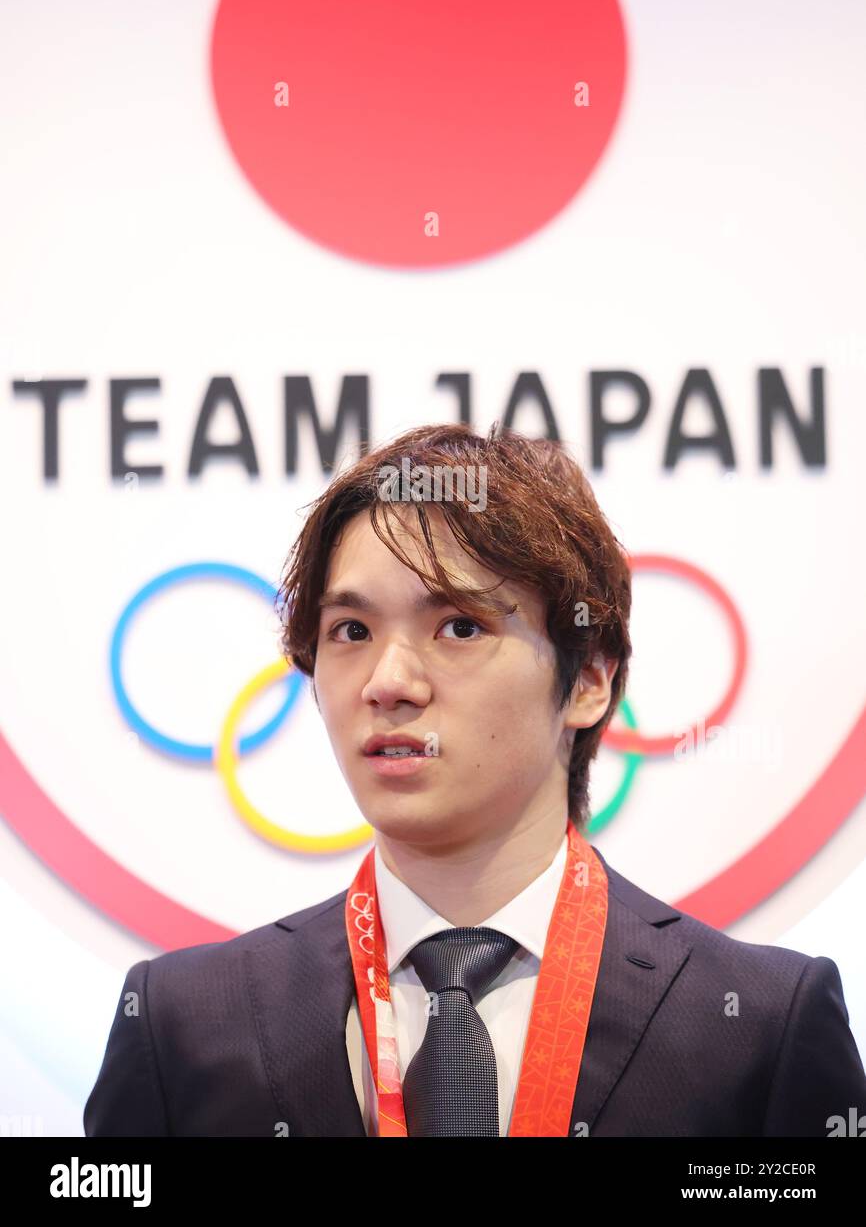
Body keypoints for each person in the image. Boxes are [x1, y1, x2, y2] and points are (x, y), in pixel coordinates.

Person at [84, 422, 866, 1136]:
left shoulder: (757, 1026)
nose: (388, 681)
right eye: (350, 630)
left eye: (460, 626)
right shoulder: (182, 1025)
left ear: (589, 679)